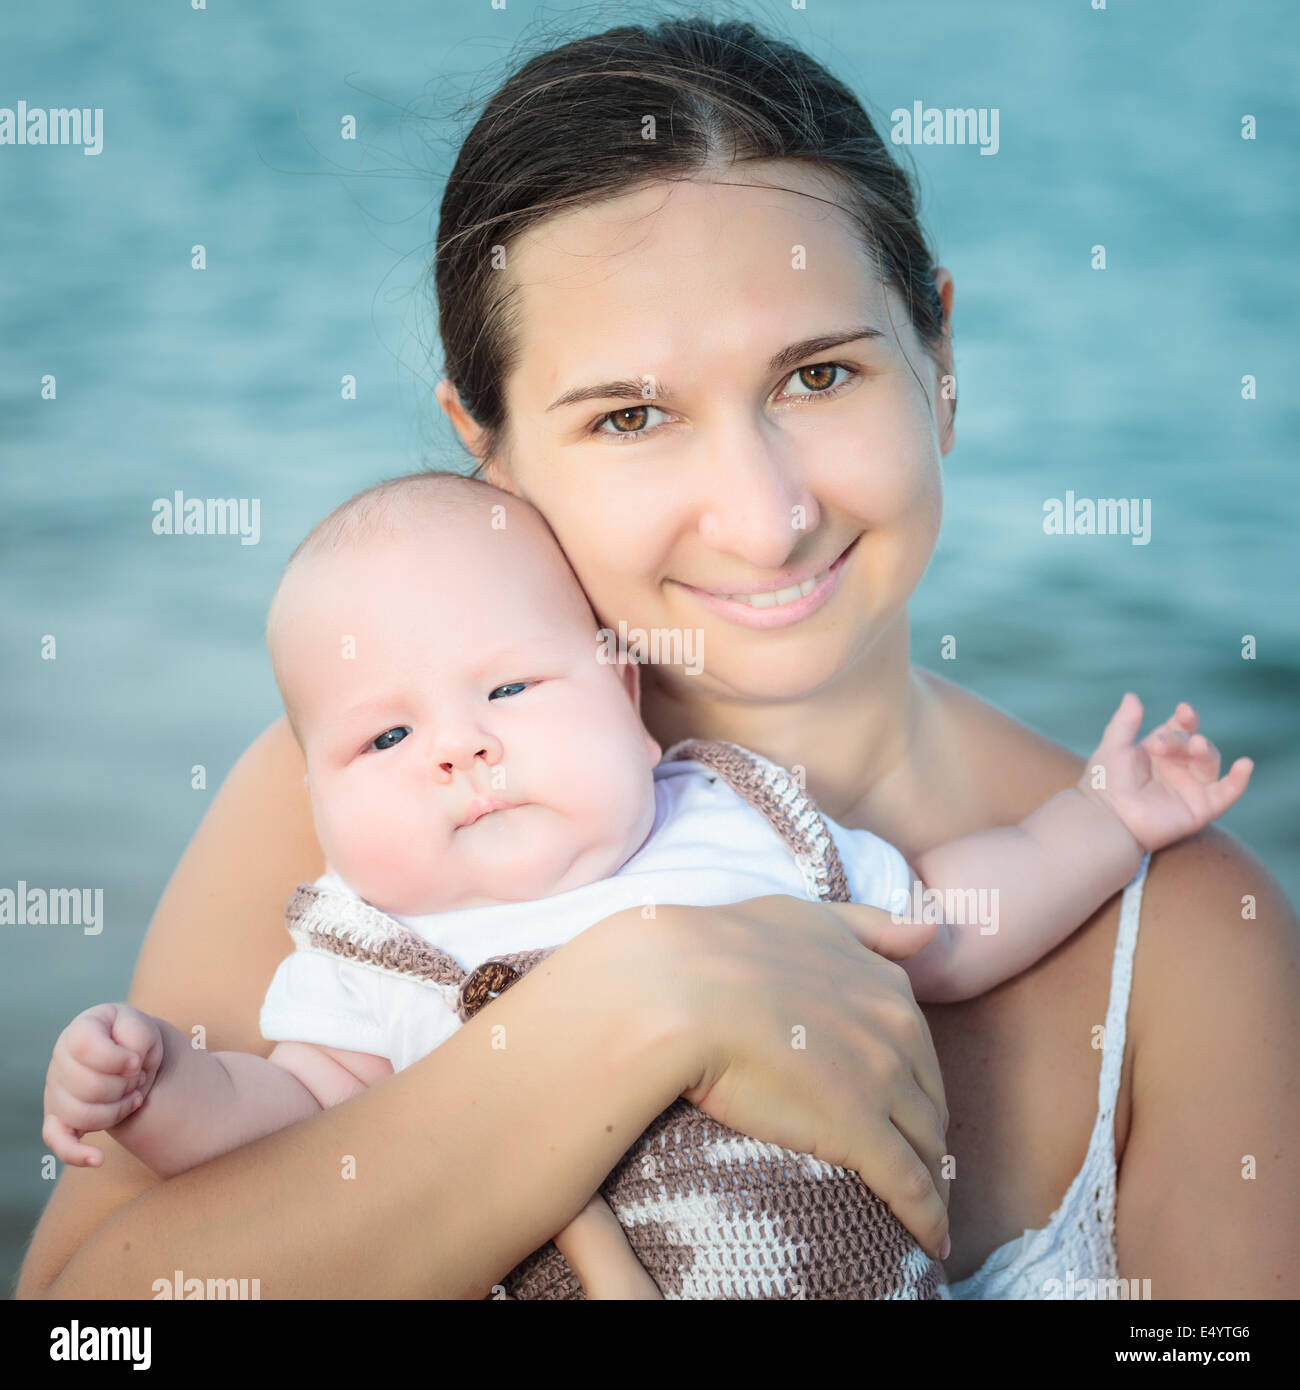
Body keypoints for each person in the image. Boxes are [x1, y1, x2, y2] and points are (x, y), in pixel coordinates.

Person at [20, 15, 1298, 1301]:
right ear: (491, 449)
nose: (763, 513)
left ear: (940, 361)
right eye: (631, 415)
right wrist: (641, 1005)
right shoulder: (369, 805)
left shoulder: (1181, 942)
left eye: (817, 375)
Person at [39, 472, 1251, 1300]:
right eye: (384, 742)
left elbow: (941, 918)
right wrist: (158, 1085)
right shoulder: (368, 948)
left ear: (624, 695)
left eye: (510, 691)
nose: (460, 749)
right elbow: (285, 1126)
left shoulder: (733, 821)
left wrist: (1100, 818)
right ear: (311, 798)